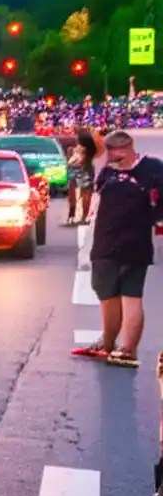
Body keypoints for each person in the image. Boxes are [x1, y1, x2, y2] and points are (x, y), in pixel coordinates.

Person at [72, 130, 163, 368]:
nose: (114, 156)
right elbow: (97, 201)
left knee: (132, 296)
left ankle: (129, 349)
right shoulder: (107, 171)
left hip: (135, 242)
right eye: (111, 151)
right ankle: (108, 343)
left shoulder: (152, 168)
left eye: (119, 152)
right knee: (107, 295)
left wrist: (157, 218)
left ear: (130, 148)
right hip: (104, 242)